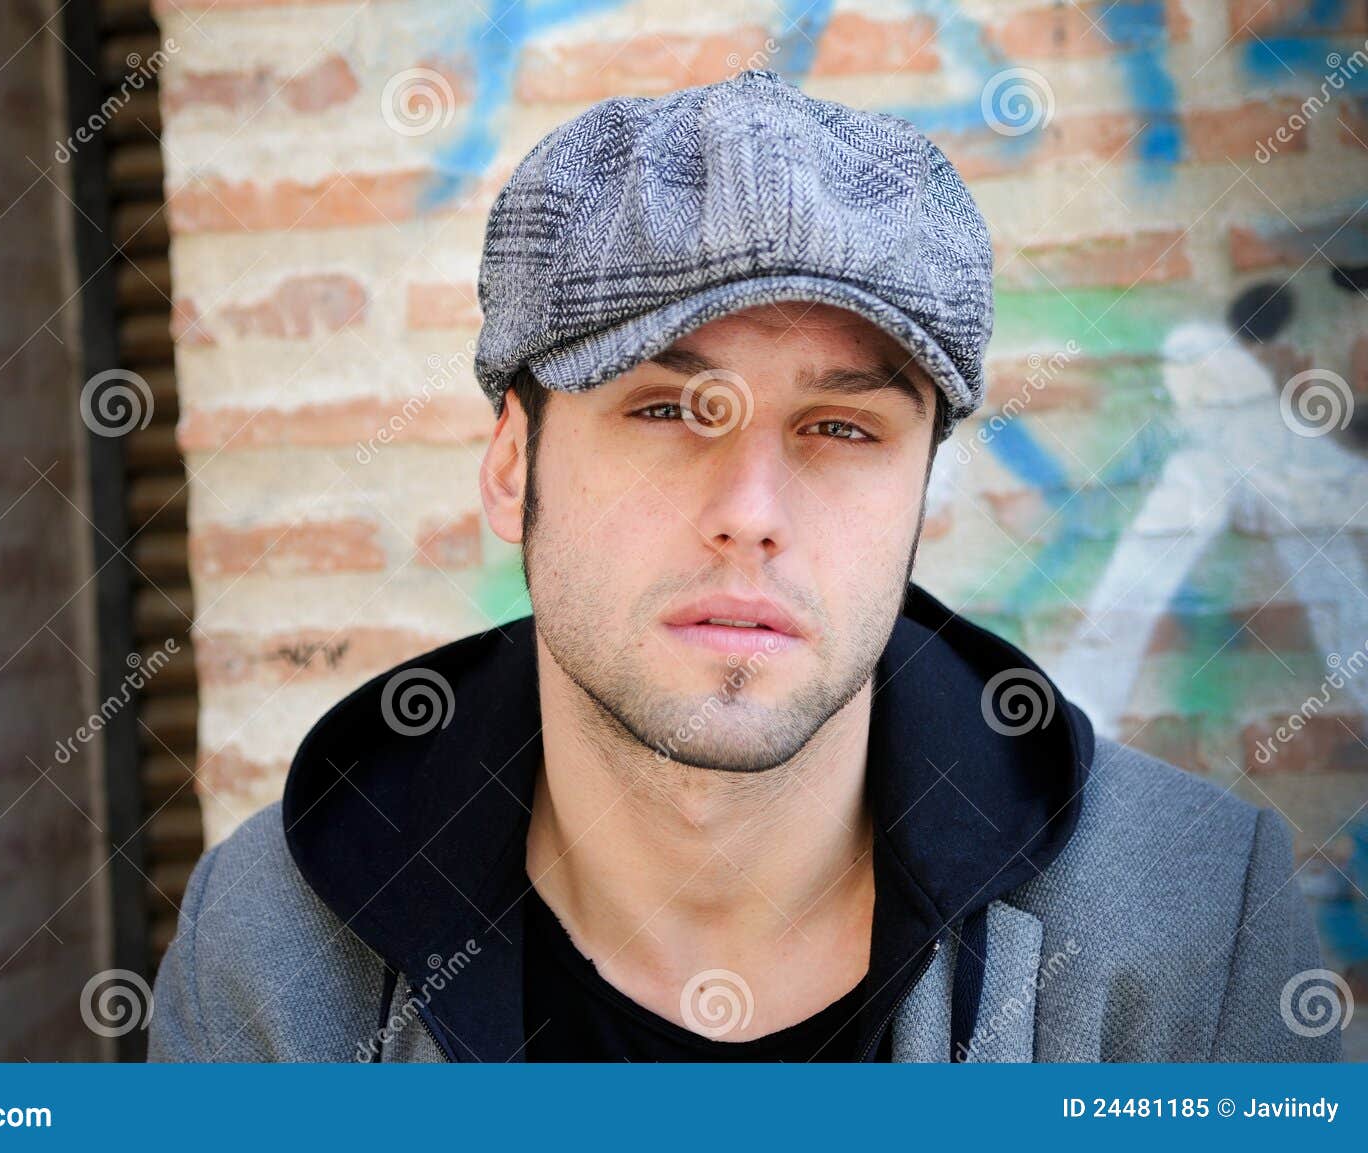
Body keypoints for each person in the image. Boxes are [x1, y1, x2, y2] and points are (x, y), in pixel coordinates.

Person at [148, 70, 1339, 1063]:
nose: (750, 516)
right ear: (513, 465)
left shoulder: (1191, 923)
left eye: (841, 428)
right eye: (668, 411)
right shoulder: (273, 947)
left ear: (920, 494)